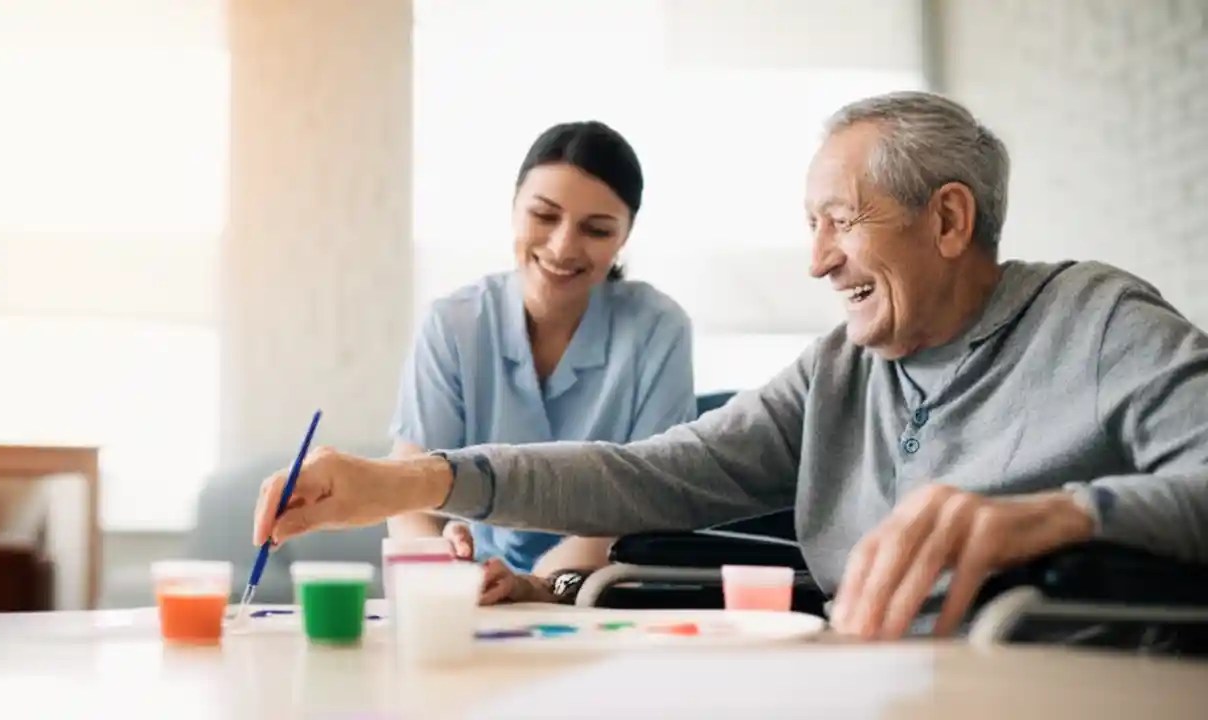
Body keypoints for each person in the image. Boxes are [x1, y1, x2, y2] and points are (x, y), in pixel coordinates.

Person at [253, 91, 1208, 639]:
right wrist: (411, 480)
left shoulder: (1095, 321)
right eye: (811, 226)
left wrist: (1060, 516)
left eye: (841, 221)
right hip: (865, 685)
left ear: (949, 220)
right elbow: (653, 473)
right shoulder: (841, 369)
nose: (817, 259)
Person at [384, 120, 695, 605]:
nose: (563, 246)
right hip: (477, 594)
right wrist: (441, 563)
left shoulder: (658, 329)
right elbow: (405, 493)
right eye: (544, 216)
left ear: (625, 236)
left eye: (596, 229)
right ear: (513, 207)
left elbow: (651, 501)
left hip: (598, 593)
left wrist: (537, 585)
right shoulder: (455, 325)